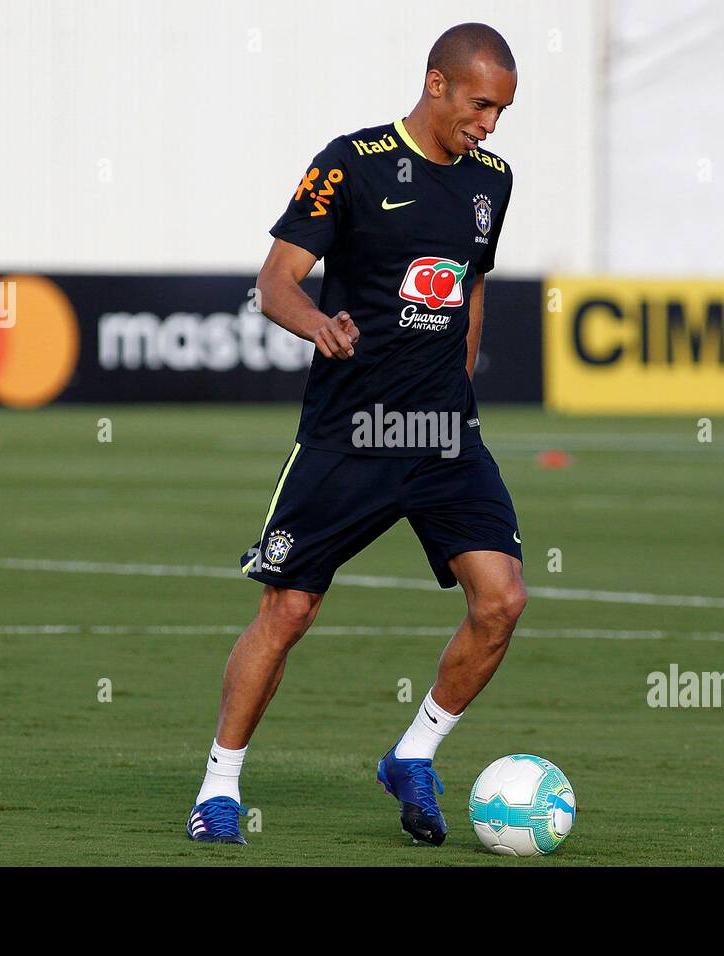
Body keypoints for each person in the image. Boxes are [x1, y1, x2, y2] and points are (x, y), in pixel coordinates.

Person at [188, 22, 522, 848]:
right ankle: (219, 787)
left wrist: (461, 378)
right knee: (289, 608)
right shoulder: (353, 161)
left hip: (444, 433)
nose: (490, 125)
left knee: (503, 599)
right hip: (351, 433)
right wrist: (318, 326)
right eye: (480, 105)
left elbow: (471, 286)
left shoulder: (492, 181)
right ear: (437, 84)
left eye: (503, 111)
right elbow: (275, 284)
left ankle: (413, 754)